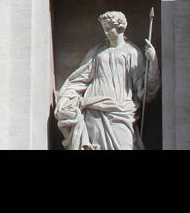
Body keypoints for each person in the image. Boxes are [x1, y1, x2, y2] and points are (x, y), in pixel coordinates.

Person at [54, 10, 158, 150]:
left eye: (109, 28)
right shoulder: (98, 53)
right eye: (104, 28)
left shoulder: (132, 52)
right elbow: (81, 78)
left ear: (120, 27)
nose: (106, 32)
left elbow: (145, 89)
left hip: (121, 109)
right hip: (95, 108)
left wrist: (153, 62)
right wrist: (67, 96)